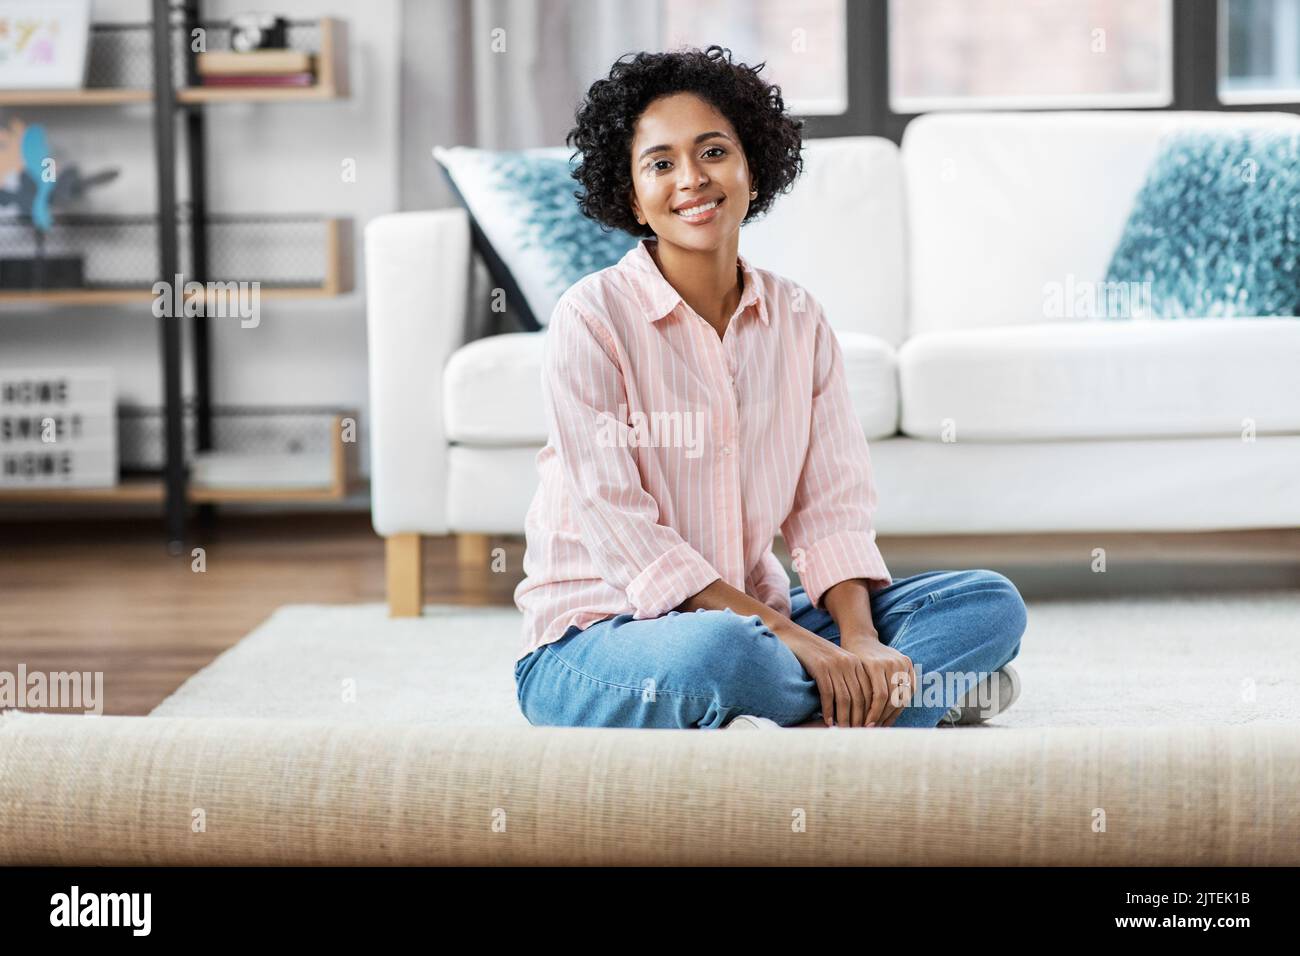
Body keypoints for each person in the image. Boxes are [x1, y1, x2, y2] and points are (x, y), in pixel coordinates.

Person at [512, 45, 1026, 730]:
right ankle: (908, 703)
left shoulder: (799, 318)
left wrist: (861, 639)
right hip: (601, 640)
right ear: (632, 195)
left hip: (764, 621)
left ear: (752, 164)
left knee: (986, 603)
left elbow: (830, 512)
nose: (691, 179)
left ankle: (837, 703)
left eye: (713, 152)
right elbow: (629, 539)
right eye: (660, 163)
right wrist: (809, 648)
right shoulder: (591, 319)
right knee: (723, 656)